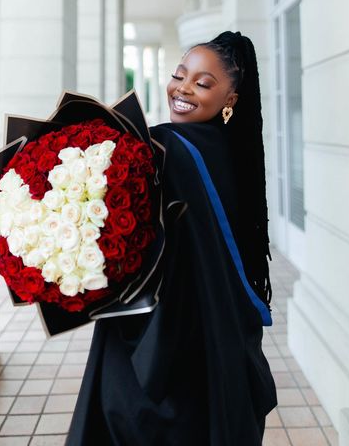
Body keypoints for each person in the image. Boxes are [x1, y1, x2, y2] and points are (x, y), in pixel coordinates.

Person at [65, 30, 278, 445]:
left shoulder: (163, 143)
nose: (183, 89)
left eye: (202, 83)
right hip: (214, 331)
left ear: (231, 99)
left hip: (161, 330)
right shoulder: (233, 149)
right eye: (181, 75)